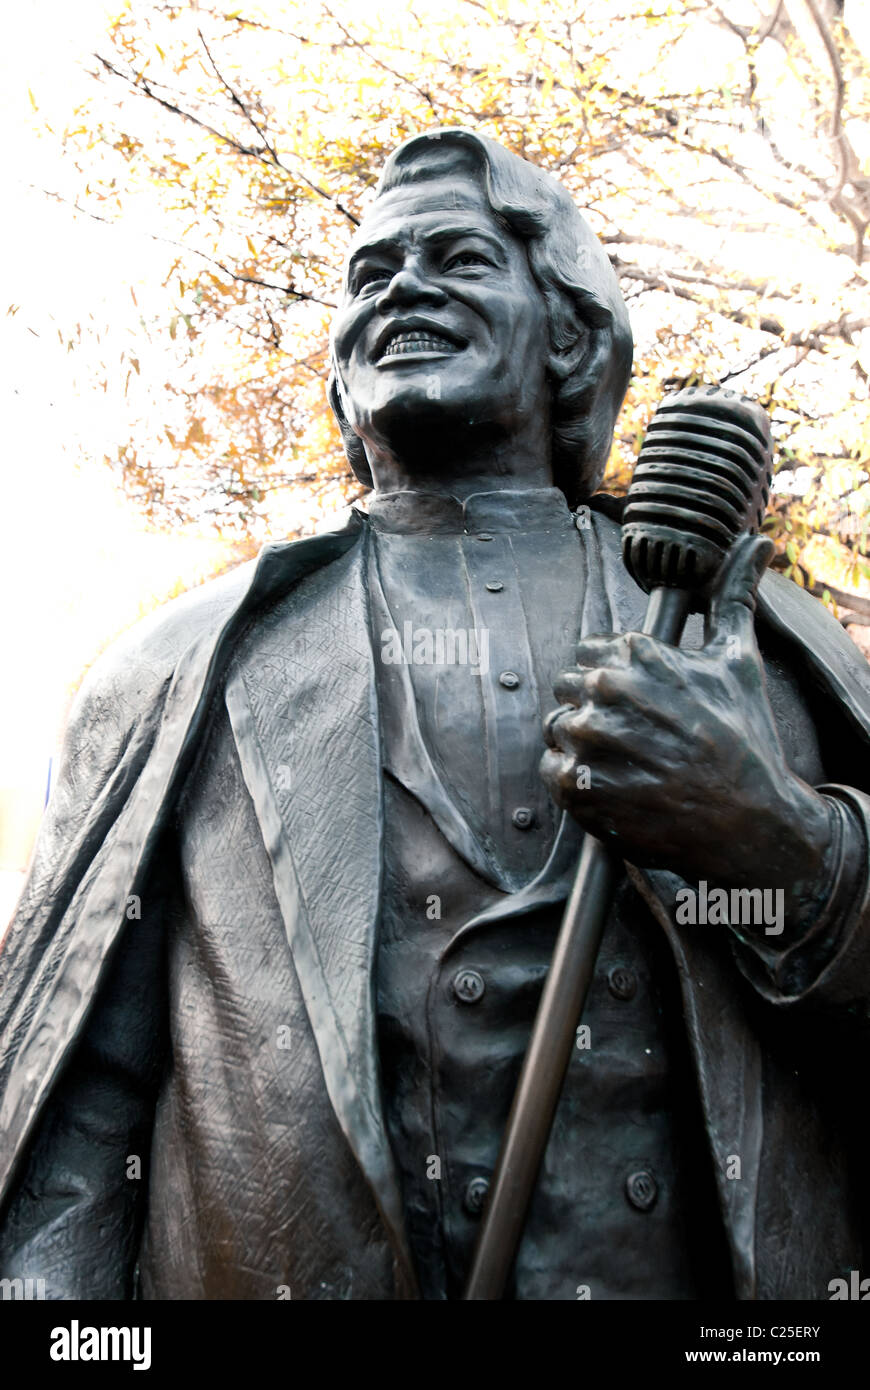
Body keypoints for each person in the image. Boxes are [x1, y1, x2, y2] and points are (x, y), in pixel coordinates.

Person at [1, 127, 869, 1301]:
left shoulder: (747, 638)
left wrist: (775, 841)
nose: (401, 286)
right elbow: (75, 1120)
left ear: (567, 331)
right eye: (370, 276)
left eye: (458, 257)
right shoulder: (177, 671)